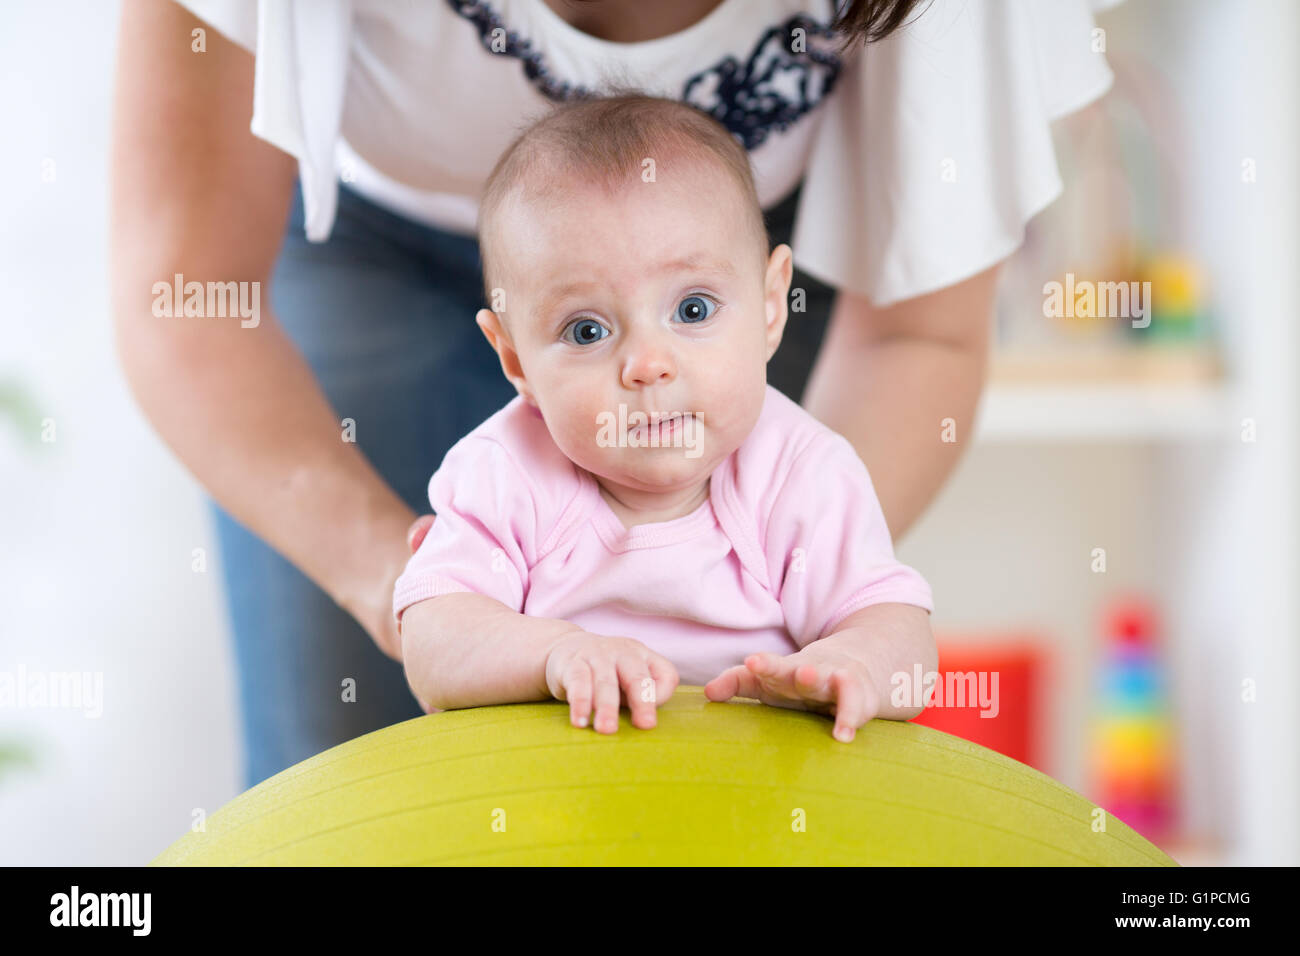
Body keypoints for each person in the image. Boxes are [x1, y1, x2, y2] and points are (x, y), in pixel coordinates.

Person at [110, 0, 1116, 788]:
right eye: (588, 335)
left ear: (770, 305)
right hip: (376, 239)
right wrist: (535, 647)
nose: (646, 364)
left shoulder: (808, 472)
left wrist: (845, 655)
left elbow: (895, 616)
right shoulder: (503, 470)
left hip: (734, 217)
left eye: (690, 315)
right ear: (515, 361)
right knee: (336, 772)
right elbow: (433, 627)